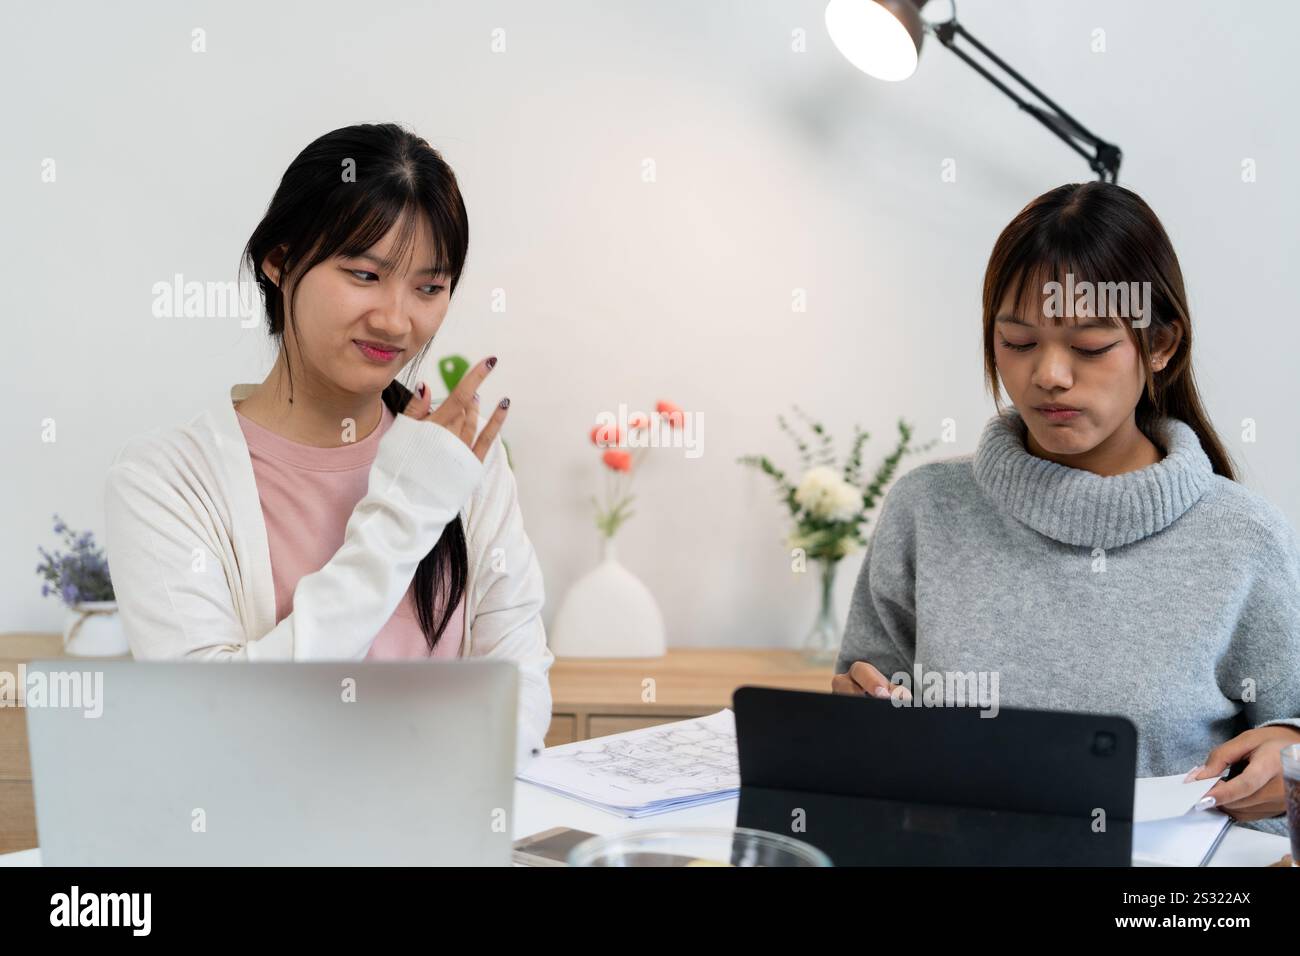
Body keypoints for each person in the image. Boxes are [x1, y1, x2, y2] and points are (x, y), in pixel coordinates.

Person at [833, 182, 1300, 832]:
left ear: (1160, 344)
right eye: (1018, 342)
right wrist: (857, 714)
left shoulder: (1245, 537)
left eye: (1089, 346)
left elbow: (1291, 739)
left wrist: (1290, 758)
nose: (1048, 374)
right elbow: (863, 707)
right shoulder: (926, 510)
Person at [104, 123, 553, 765]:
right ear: (280, 261)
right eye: (364, 275)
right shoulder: (162, 480)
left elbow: (519, 680)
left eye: (429, 287)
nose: (397, 320)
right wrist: (408, 510)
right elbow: (217, 725)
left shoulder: (466, 459)